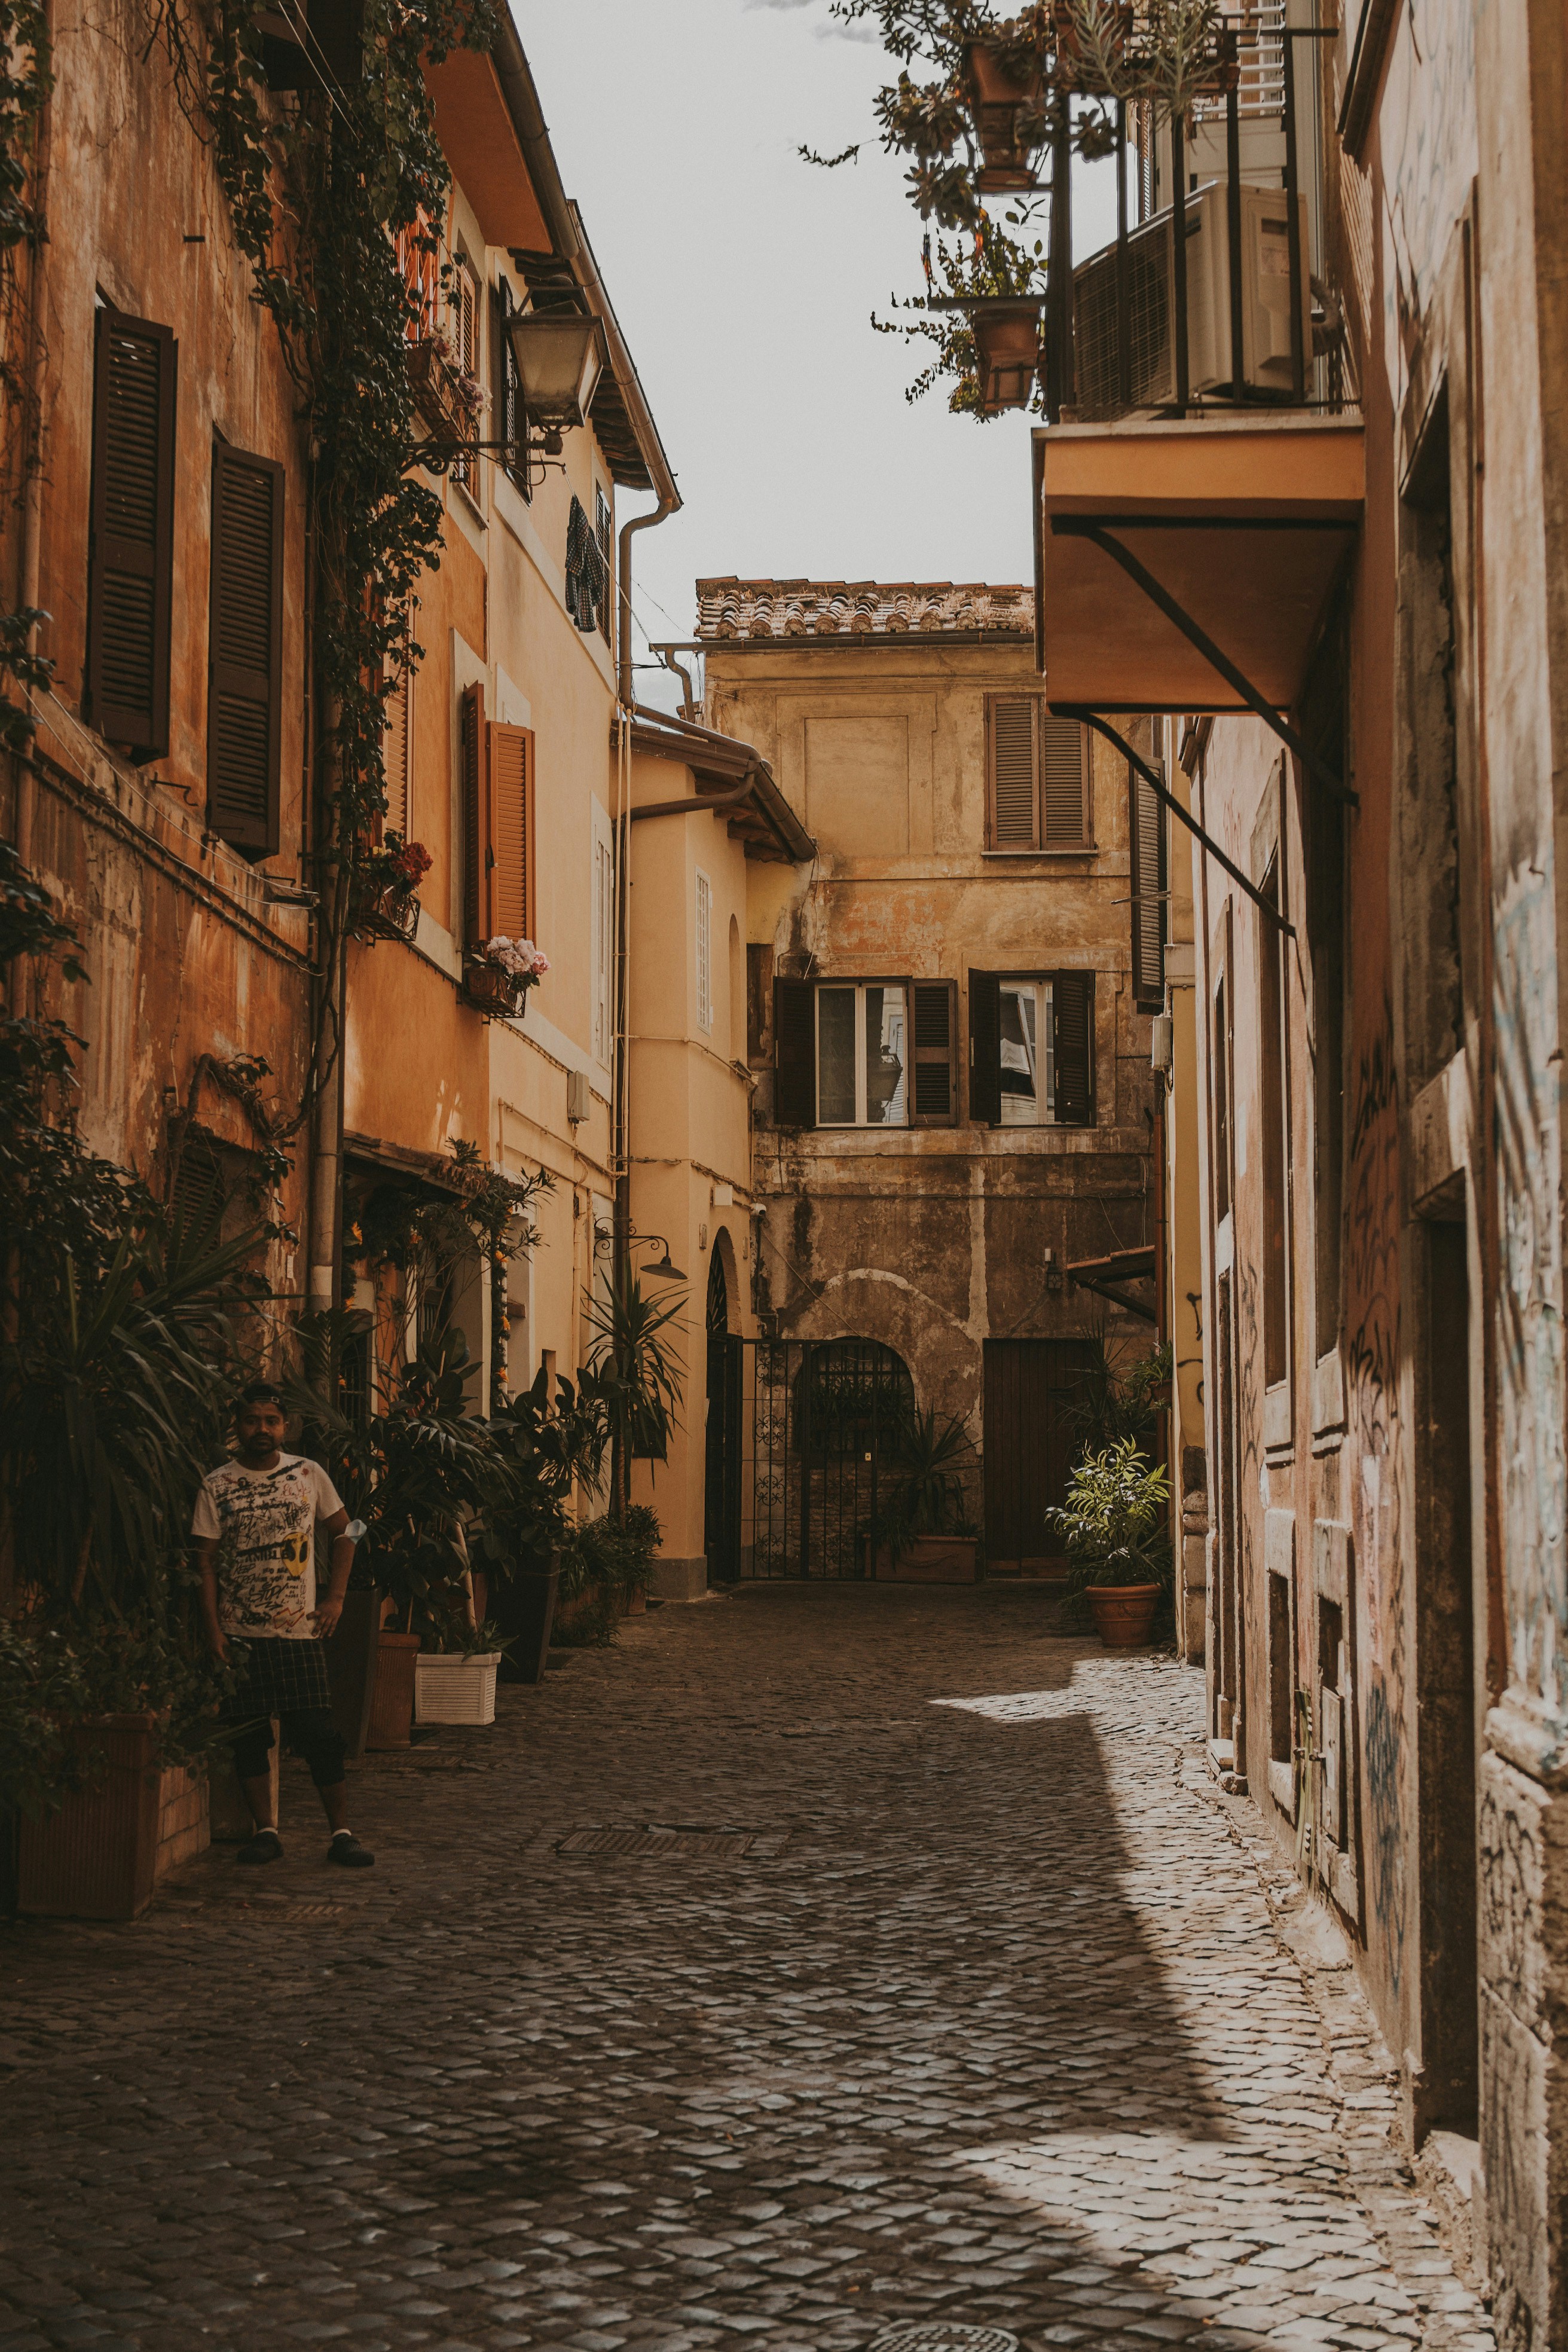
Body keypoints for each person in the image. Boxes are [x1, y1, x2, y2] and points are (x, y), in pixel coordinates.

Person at [192, 1380, 374, 1868]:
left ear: (285, 1426)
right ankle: (266, 1832)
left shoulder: (309, 1474)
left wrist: (336, 1598)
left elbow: (350, 1531)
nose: (262, 1429)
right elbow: (205, 1564)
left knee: (319, 1735)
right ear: (238, 1425)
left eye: (271, 1420)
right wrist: (214, 1632)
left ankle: (341, 1834)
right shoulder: (217, 1485)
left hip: (299, 1633)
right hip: (240, 1636)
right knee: (250, 1737)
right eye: (252, 1420)